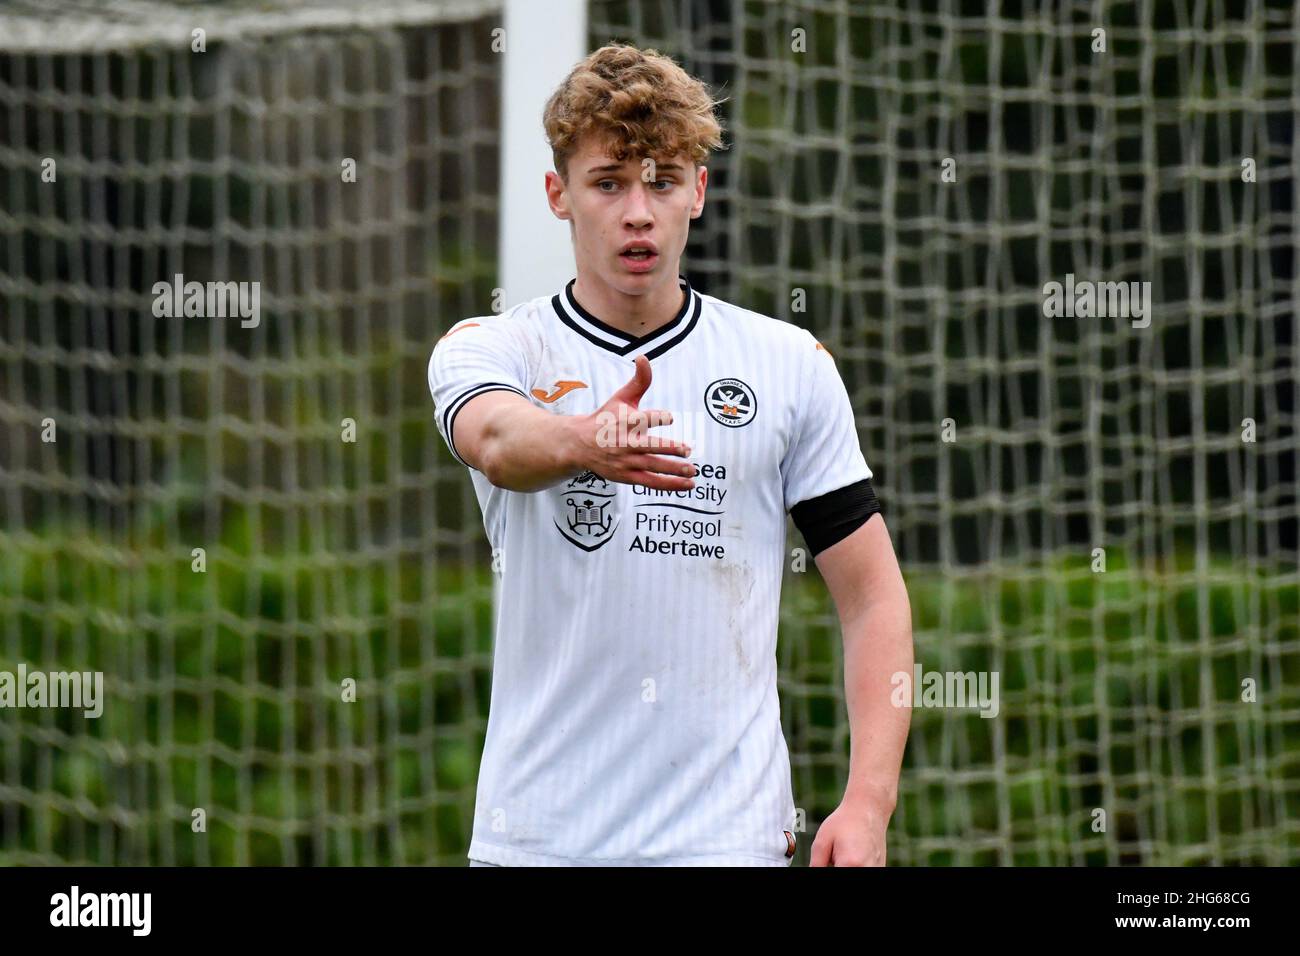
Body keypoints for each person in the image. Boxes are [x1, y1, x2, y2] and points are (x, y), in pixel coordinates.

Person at [429, 43, 912, 867]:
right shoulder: (493, 349)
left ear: (698, 191)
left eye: (661, 180)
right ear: (559, 195)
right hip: (538, 844)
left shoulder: (790, 365)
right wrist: (583, 441)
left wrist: (867, 803)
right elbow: (498, 442)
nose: (638, 212)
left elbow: (872, 600)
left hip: (726, 843)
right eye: (608, 182)